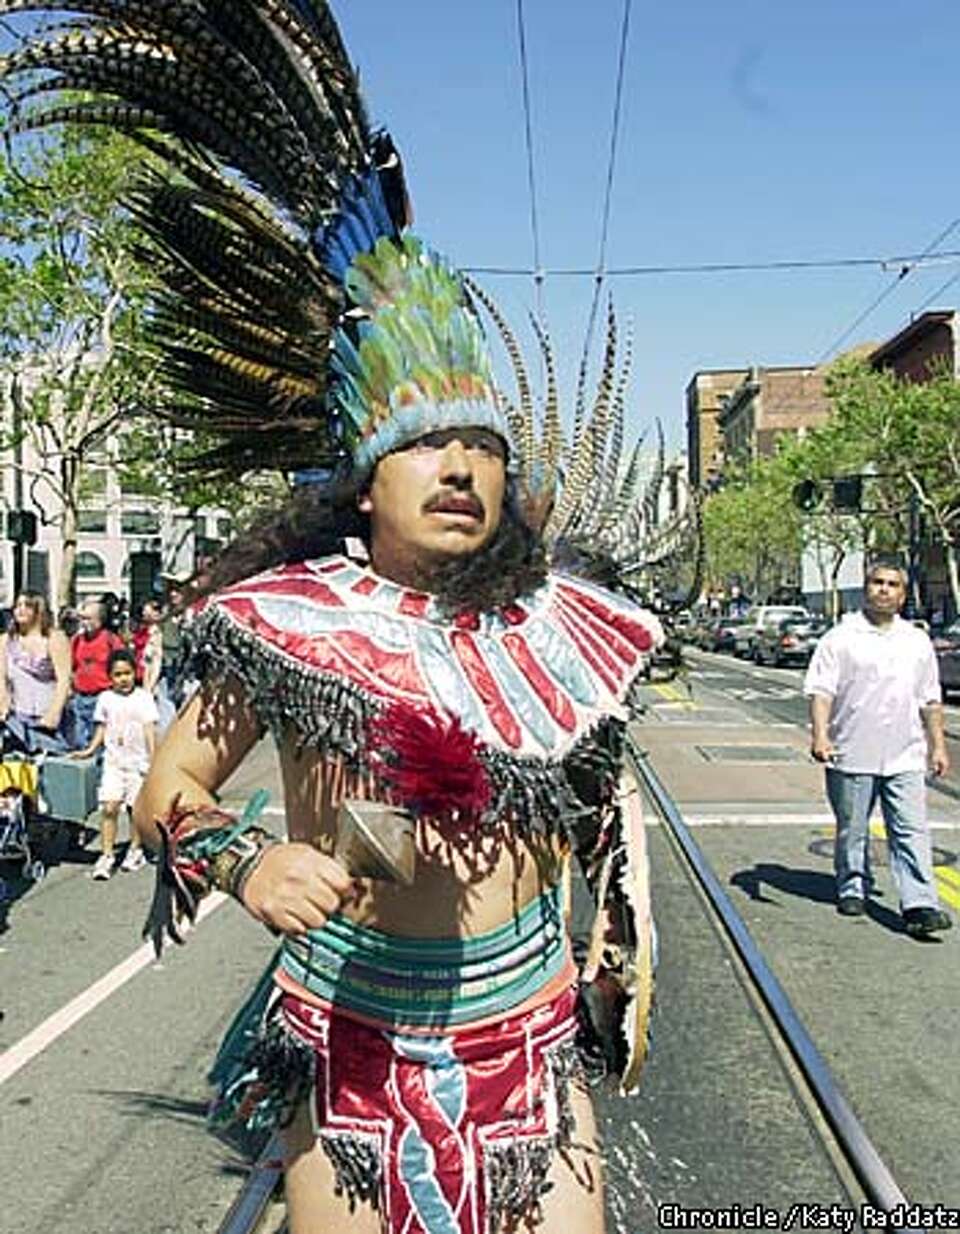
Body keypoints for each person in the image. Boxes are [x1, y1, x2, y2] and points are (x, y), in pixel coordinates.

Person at [7, 7, 662, 1232]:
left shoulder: (570, 620)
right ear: (367, 480)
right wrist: (247, 860)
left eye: (480, 444)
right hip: (353, 1042)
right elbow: (165, 794)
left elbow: (600, 820)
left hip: (526, 1032)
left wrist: (619, 943)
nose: (460, 467)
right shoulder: (285, 624)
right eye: (426, 447)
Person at [804, 558, 952, 938]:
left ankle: (920, 903)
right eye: (877, 582)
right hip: (851, 751)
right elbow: (821, 691)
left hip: (906, 753)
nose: (884, 589)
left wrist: (938, 746)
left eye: (892, 584)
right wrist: (820, 735)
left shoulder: (916, 641)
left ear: (903, 595)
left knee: (911, 830)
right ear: (866, 588)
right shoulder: (841, 637)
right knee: (852, 829)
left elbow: (930, 699)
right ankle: (852, 885)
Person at [71, 648, 158, 880]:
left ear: (134, 673)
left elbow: (150, 730)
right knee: (109, 807)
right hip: (114, 762)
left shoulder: (144, 698)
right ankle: (107, 854)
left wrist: (154, 758)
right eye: (118, 675)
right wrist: (89, 749)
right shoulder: (105, 699)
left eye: (127, 673)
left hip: (138, 763)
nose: (123, 679)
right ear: (110, 677)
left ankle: (135, 849)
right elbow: (102, 728)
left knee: (135, 810)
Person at [0, 592, 73, 753]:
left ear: (39, 610)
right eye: (18, 605)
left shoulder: (55, 638)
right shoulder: (6, 640)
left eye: (27, 605)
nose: (21, 610)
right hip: (16, 717)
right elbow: (2, 679)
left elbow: (64, 680)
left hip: (48, 716)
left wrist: (54, 713)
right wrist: (3, 704)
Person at [70, 599, 124, 749]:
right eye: (82, 618)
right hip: (80, 697)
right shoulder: (76, 640)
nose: (83, 622)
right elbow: (72, 667)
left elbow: (122, 666)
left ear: (100, 620)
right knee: (80, 741)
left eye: (88, 618)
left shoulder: (111, 640)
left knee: (102, 740)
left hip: (103, 696)